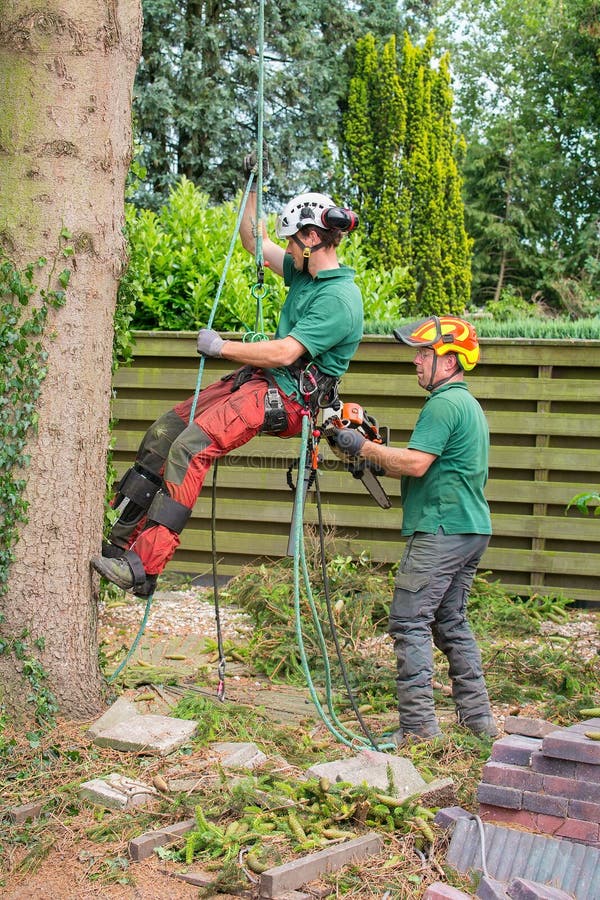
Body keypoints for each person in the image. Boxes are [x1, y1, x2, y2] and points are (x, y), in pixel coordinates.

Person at [91, 168, 363, 598]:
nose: (287, 249)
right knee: (164, 433)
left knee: (191, 447)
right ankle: (119, 540)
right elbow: (254, 240)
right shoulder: (304, 273)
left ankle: (145, 568)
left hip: (288, 399)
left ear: (311, 240)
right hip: (260, 381)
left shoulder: (339, 300)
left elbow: (285, 353)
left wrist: (221, 347)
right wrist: (253, 185)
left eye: (291, 241)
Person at [330, 315, 497, 743]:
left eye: (425, 354)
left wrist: (362, 445)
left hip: (441, 530)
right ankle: (478, 724)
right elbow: (429, 468)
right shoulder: (469, 406)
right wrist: (373, 457)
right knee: (450, 621)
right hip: (470, 528)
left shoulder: (442, 404)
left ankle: (420, 730)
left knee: (408, 622)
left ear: (451, 361)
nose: (417, 362)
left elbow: (418, 462)